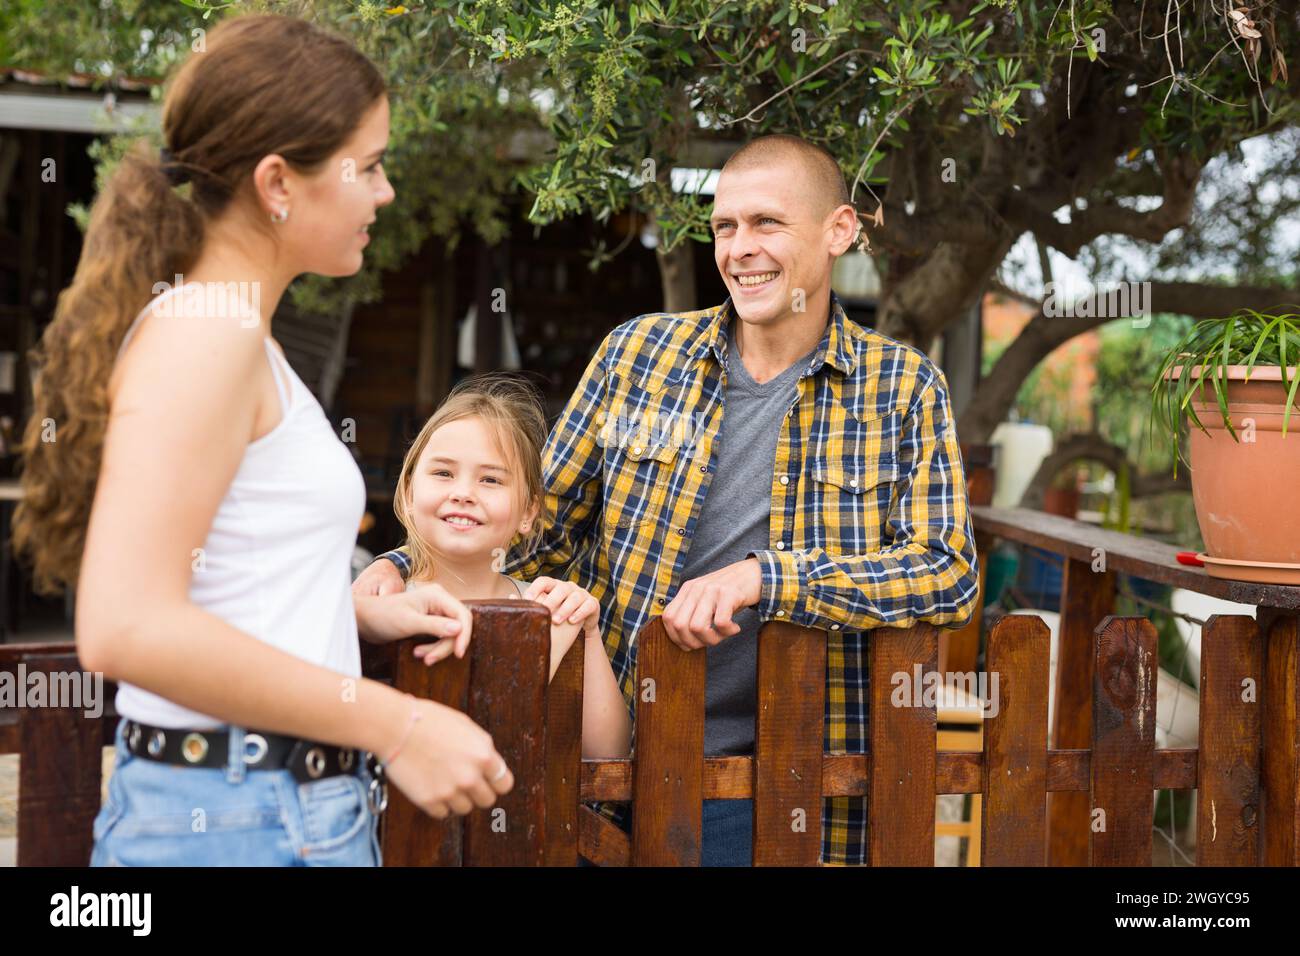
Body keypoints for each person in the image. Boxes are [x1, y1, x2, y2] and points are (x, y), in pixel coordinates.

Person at [356, 134, 980, 865]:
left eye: (766, 223)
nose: (739, 247)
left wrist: (766, 577)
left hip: (787, 775)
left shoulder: (902, 386)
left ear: (839, 230)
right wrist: (403, 564)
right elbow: (539, 523)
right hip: (616, 763)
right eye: (724, 227)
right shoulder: (638, 356)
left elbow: (947, 570)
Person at [12, 14, 512, 867]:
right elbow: (125, 626)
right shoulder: (208, 337)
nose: (385, 193)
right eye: (371, 165)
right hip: (237, 821)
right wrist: (400, 722)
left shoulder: (235, 335)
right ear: (278, 181)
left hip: (268, 809)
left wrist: (349, 611)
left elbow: (222, 580)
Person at [392, 374, 631, 758]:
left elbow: (609, 754)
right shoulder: (382, 604)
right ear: (408, 493)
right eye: (442, 473)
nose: (463, 493)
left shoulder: (547, 609)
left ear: (528, 511)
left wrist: (586, 632)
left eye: (490, 479)